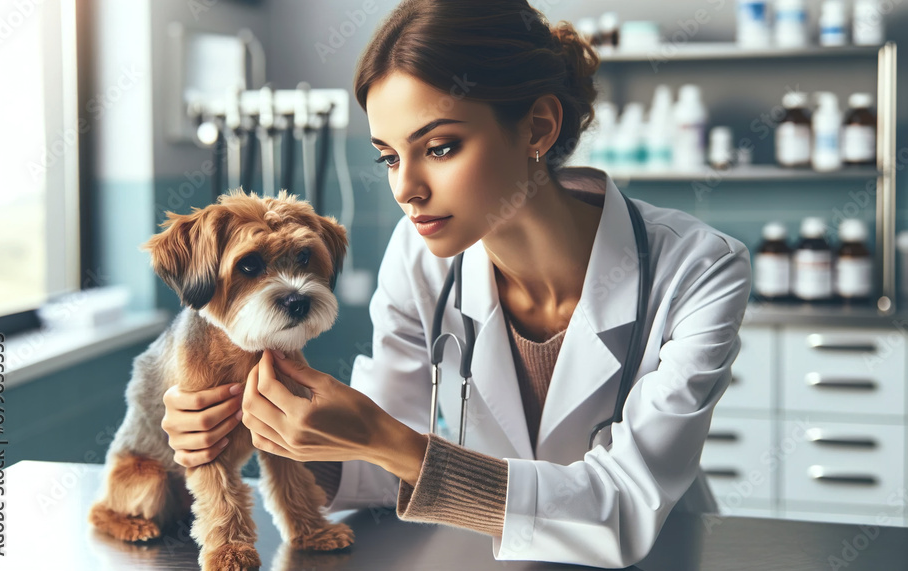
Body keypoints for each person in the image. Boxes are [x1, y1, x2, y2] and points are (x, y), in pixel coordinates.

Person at [160, 0, 752, 566]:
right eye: (389, 157)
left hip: (655, 557)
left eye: (439, 148)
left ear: (537, 128)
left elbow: (624, 507)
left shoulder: (699, 272)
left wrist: (380, 436)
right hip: (487, 557)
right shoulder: (418, 258)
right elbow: (383, 454)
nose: (405, 189)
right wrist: (269, 433)